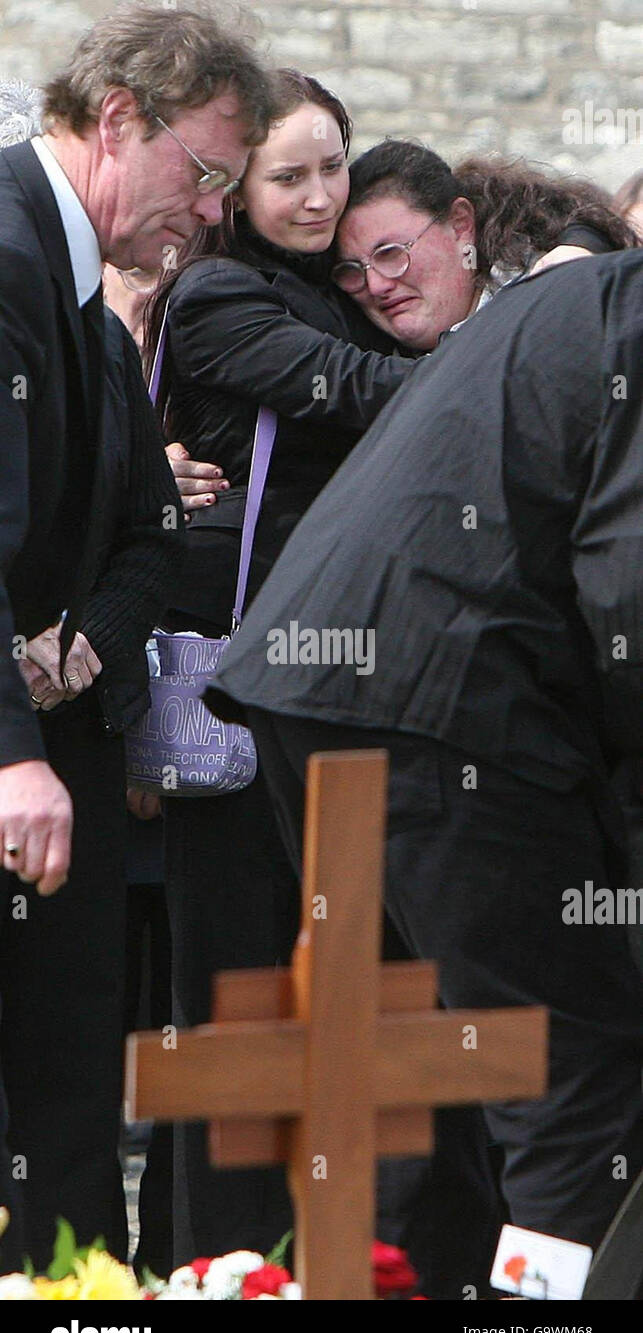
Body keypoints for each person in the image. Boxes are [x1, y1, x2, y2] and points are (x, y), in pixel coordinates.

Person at [209, 248, 643, 1260]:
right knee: (565, 1068)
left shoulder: (575, 297)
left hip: (322, 679)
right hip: (444, 696)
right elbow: (629, 595)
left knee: (404, 1059)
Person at [0, 5, 274, 1272]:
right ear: (119, 119)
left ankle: (79, 1311)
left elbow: (147, 532)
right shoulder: (6, 253)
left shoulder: (88, 316)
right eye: (207, 172)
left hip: (66, 752)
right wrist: (10, 751)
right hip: (22, 771)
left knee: (64, 1082)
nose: (215, 210)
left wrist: (84, 642)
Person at [144, 68, 420, 1266]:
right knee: (239, 998)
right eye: (287, 175)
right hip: (246, 699)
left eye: (331, 168)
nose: (318, 197)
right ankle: (223, 1268)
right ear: (232, 190)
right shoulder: (216, 295)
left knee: (352, 1001)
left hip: (349, 696)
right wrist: (507, 377)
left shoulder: (345, 290)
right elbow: (359, 397)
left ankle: (338, 1264)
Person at [332, 141, 638, 350]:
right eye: (352, 270)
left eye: (390, 253)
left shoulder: (563, 311)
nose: (375, 286)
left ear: (460, 225)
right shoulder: (354, 354)